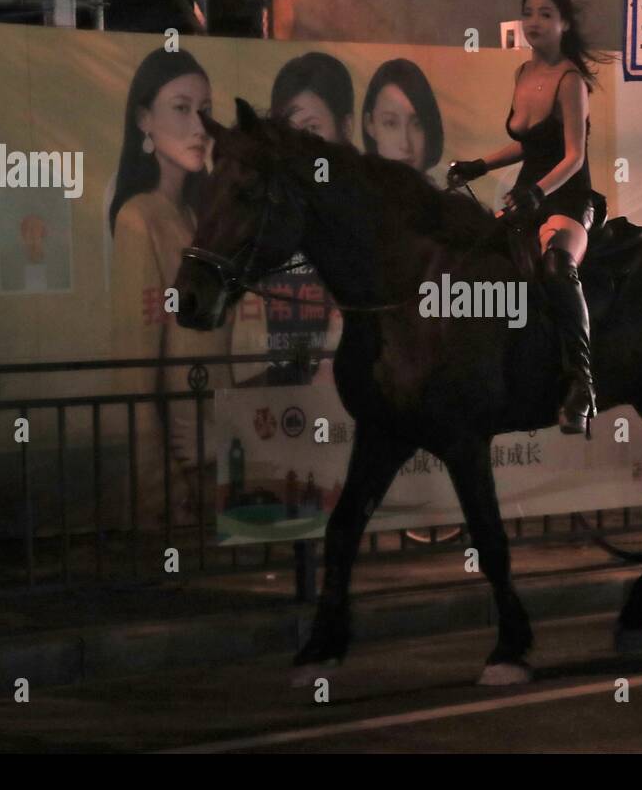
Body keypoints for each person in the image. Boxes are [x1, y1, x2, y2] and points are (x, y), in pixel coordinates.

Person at [447, 0, 613, 434]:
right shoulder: (522, 74)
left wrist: (538, 193)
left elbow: (573, 155)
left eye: (545, 13)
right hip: (529, 194)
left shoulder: (570, 80)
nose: (534, 22)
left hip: (568, 196)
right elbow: (526, 144)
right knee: (477, 252)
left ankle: (582, 383)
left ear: (563, 23)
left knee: (557, 266)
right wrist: (478, 165)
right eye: (528, 13)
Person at [109, 48, 233, 522]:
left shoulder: (199, 219)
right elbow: (133, 375)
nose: (200, 127)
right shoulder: (139, 220)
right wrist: (160, 490)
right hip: (183, 480)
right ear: (144, 119)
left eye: (205, 111)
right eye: (181, 108)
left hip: (222, 460)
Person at [230, 52, 349, 387]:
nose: (299, 147)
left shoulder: (357, 211)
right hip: (273, 394)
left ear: (346, 127)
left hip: (346, 385)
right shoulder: (267, 211)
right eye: (290, 133)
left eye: (312, 129)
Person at [361, 58, 446, 188]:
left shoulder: (450, 203)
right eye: (391, 123)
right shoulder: (353, 201)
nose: (405, 144)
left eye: (417, 124)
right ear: (370, 125)